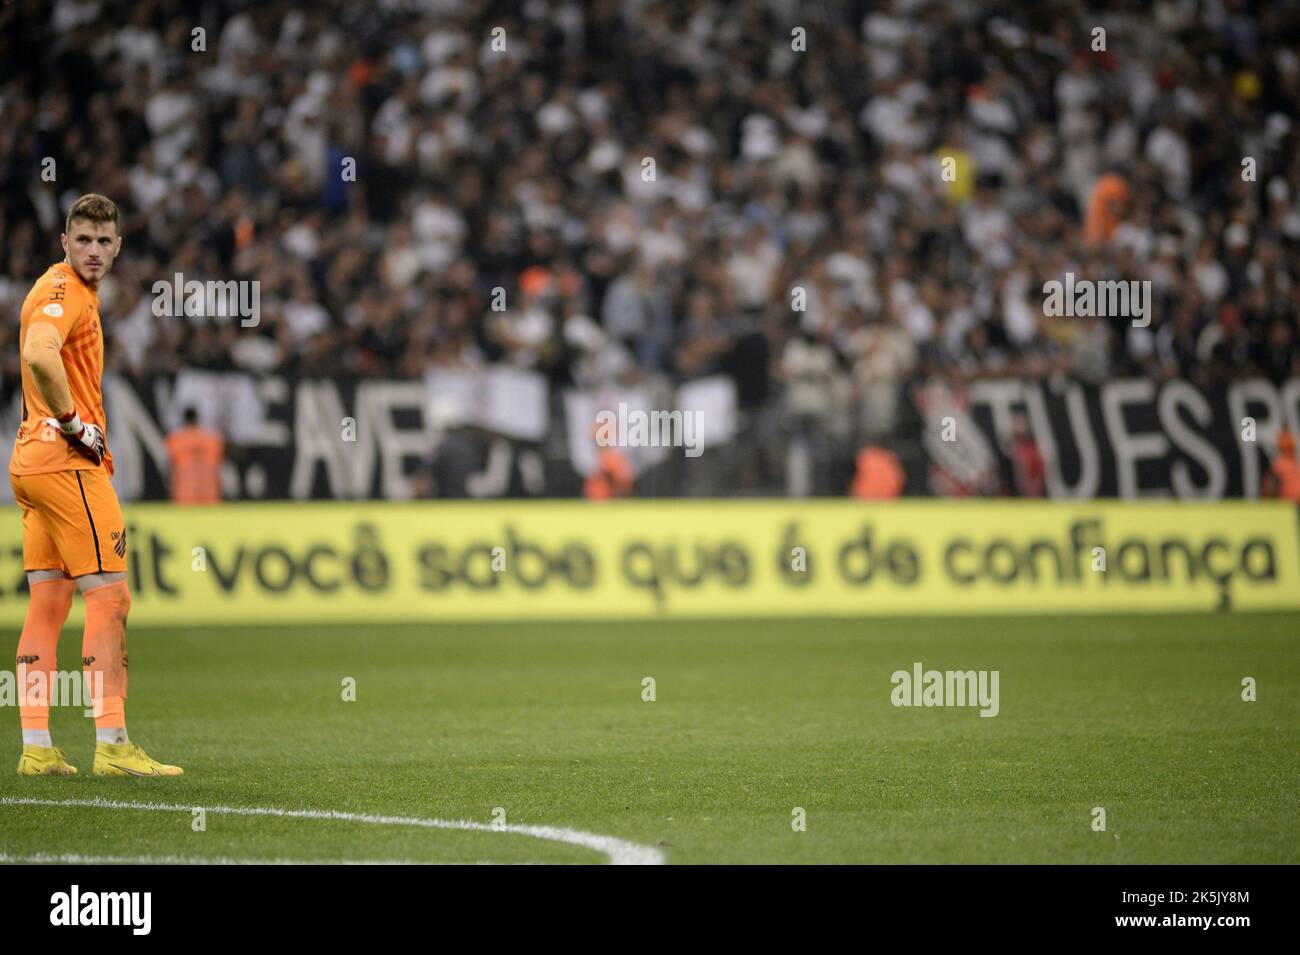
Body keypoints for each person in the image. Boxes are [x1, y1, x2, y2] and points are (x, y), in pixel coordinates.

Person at [9, 194, 181, 776]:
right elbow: (38, 353)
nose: (94, 251)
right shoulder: (63, 292)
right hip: (66, 463)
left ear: (118, 246)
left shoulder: (68, 291)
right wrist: (75, 424)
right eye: (82, 239)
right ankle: (112, 744)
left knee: (49, 601)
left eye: (104, 241)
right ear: (64, 242)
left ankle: (37, 749)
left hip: (31, 464)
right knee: (110, 598)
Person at [165, 407, 225, 504]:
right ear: (197, 418)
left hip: (184, 494)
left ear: (184, 419)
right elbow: (220, 460)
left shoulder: (175, 440)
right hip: (209, 493)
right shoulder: (212, 439)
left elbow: (169, 464)